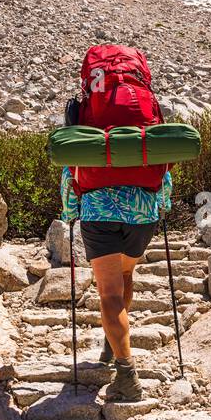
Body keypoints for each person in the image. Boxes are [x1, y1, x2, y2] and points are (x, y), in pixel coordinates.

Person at [60, 163, 172, 402]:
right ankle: (114, 343)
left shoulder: (86, 133)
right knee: (125, 275)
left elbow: (70, 175)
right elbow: (164, 170)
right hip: (142, 214)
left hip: (99, 213)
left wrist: (69, 214)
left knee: (109, 293)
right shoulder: (140, 131)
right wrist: (163, 205)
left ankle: (126, 375)